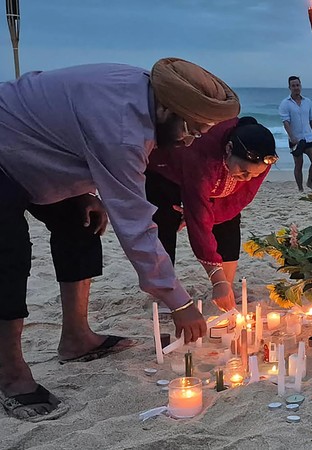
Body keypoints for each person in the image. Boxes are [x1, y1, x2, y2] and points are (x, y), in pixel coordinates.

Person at [0, 58, 239, 421]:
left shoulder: (141, 90)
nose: (194, 138)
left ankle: (77, 338)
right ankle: (11, 374)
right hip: (6, 153)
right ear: (164, 108)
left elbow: (67, 131)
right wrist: (179, 303)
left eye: (204, 131)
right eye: (192, 127)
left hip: (32, 149)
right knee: (9, 255)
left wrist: (77, 189)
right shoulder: (126, 130)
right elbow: (136, 226)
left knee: (81, 222)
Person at [146, 117, 277, 309]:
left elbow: (239, 199)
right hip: (166, 168)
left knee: (229, 219)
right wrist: (194, 213)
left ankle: (227, 289)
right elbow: (199, 225)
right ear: (229, 149)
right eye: (243, 171)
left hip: (207, 172)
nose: (247, 178)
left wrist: (209, 213)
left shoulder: (260, 161)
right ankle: (166, 293)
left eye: (254, 174)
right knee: (166, 221)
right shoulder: (202, 159)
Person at [278, 76, 312, 192]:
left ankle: (309, 182)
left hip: (309, 137)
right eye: (293, 86)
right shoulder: (285, 103)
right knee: (298, 164)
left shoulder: (308, 102)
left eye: (298, 85)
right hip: (295, 139)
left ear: (300, 85)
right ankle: (300, 189)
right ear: (289, 87)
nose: (296, 88)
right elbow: (286, 122)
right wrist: (292, 137)